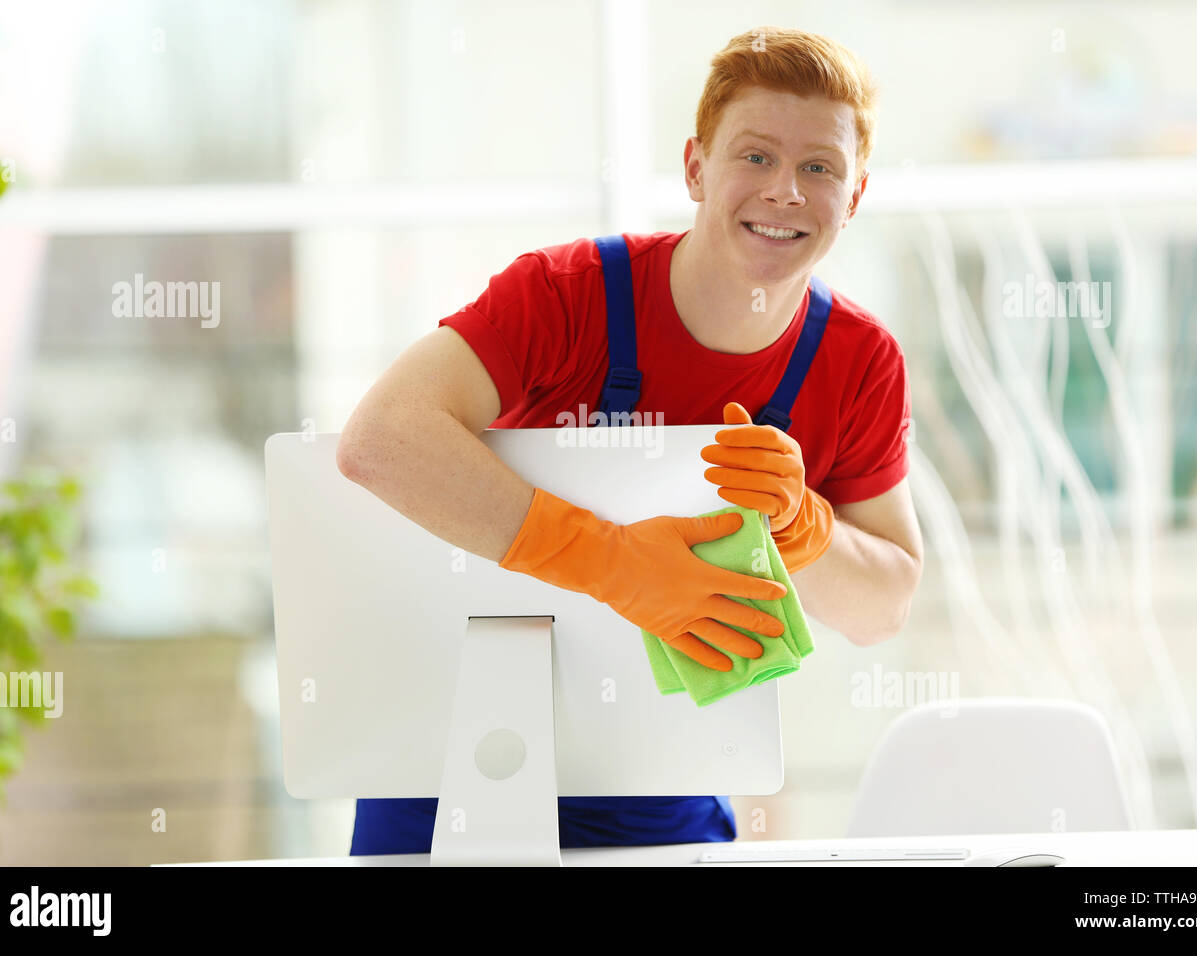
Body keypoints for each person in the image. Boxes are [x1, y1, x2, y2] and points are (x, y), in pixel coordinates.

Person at [336, 25, 924, 855]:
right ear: (695, 167)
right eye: (754, 156)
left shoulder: (858, 360)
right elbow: (382, 440)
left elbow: (885, 606)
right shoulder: (564, 297)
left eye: (819, 167)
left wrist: (804, 527)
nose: (786, 191)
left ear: (855, 194)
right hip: (448, 766)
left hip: (664, 780)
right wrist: (610, 563)